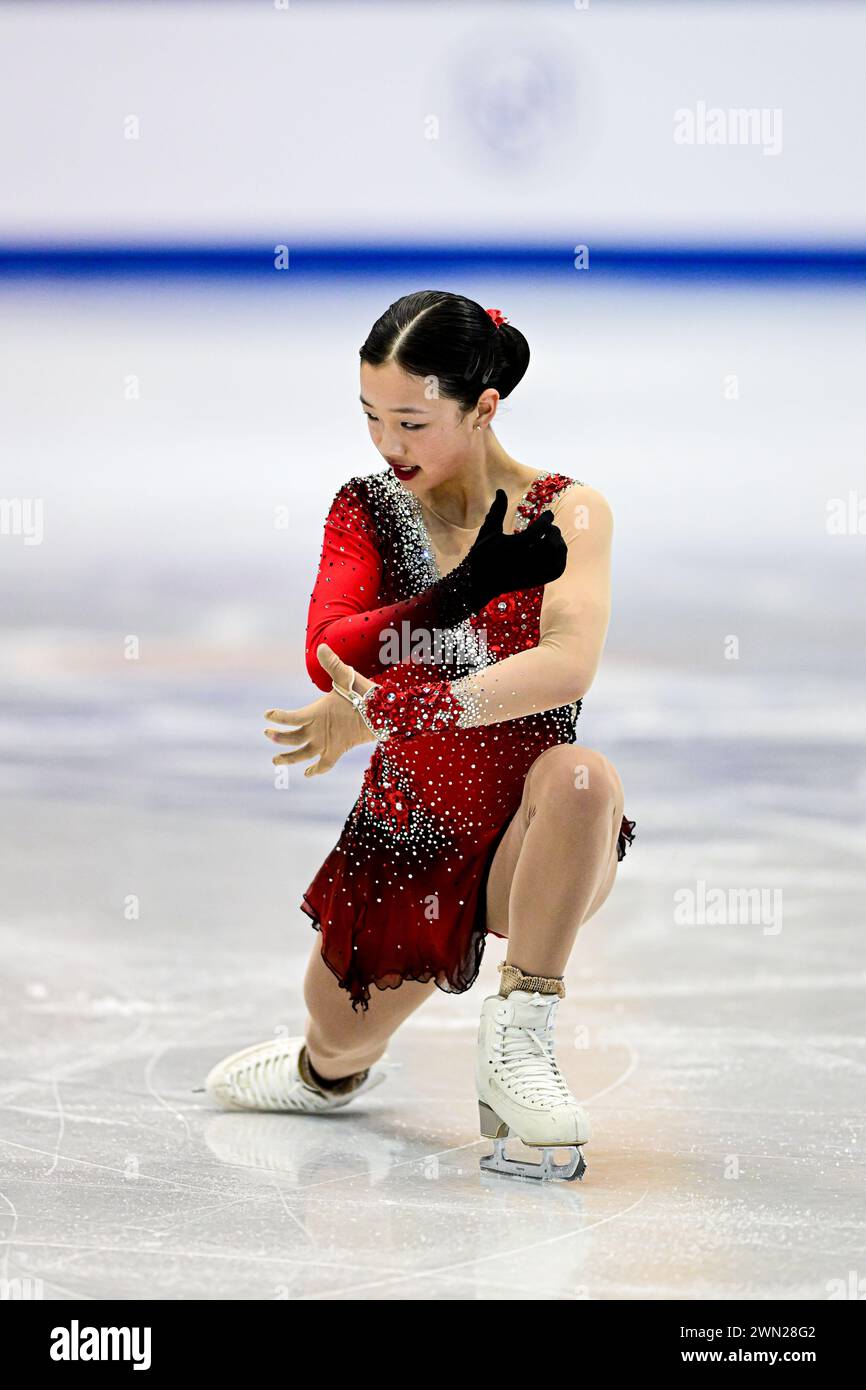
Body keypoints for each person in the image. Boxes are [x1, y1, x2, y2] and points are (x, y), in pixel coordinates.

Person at [205, 291, 636, 1181]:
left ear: (482, 407)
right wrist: (467, 586)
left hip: (532, 847)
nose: (387, 444)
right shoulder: (368, 508)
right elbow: (331, 653)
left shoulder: (570, 511)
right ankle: (321, 1074)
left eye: (411, 419)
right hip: (408, 839)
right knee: (336, 1035)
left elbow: (565, 667)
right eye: (369, 416)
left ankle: (521, 1044)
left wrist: (405, 705)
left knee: (583, 778)